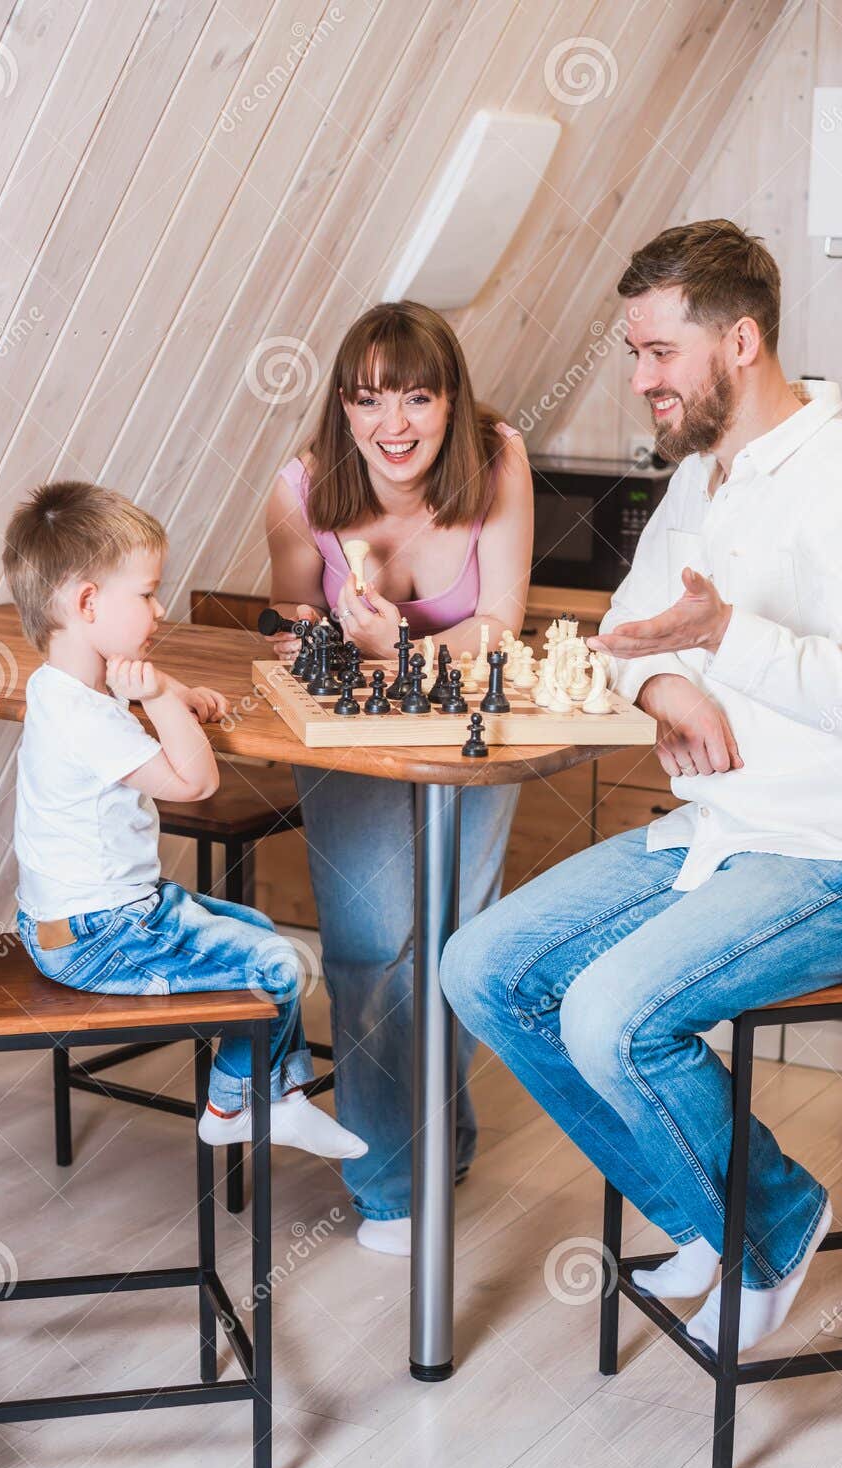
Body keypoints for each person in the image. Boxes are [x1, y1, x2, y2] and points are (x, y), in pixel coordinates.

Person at [441, 220, 842, 1354]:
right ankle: (705, 1211)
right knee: (480, 966)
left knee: (611, 1014)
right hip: (725, 831)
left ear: (740, 340)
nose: (640, 380)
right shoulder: (701, 480)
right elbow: (628, 636)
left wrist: (732, 634)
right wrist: (671, 687)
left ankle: (771, 1219)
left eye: (660, 353)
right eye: (633, 353)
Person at [265, 300, 533, 1255]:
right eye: (369, 400)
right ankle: (387, 1185)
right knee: (373, 946)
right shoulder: (302, 491)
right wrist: (343, 639)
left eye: (418, 397)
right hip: (357, 743)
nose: (395, 426)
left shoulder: (498, 458)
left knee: (459, 945)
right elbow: (291, 617)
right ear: (343, 408)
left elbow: (500, 620)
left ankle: (438, 1135)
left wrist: (401, 651)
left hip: (473, 734)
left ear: (452, 401)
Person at [3, 479, 367, 1162]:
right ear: (87, 603)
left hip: (86, 918)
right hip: (98, 935)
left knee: (258, 929)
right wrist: (166, 702)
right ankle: (231, 1106)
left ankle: (280, 1101)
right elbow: (196, 782)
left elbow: (125, 695)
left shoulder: (63, 684)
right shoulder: (83, 717)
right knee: (279, 966)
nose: (160, 607)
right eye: (145, 593)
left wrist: (165, 692)